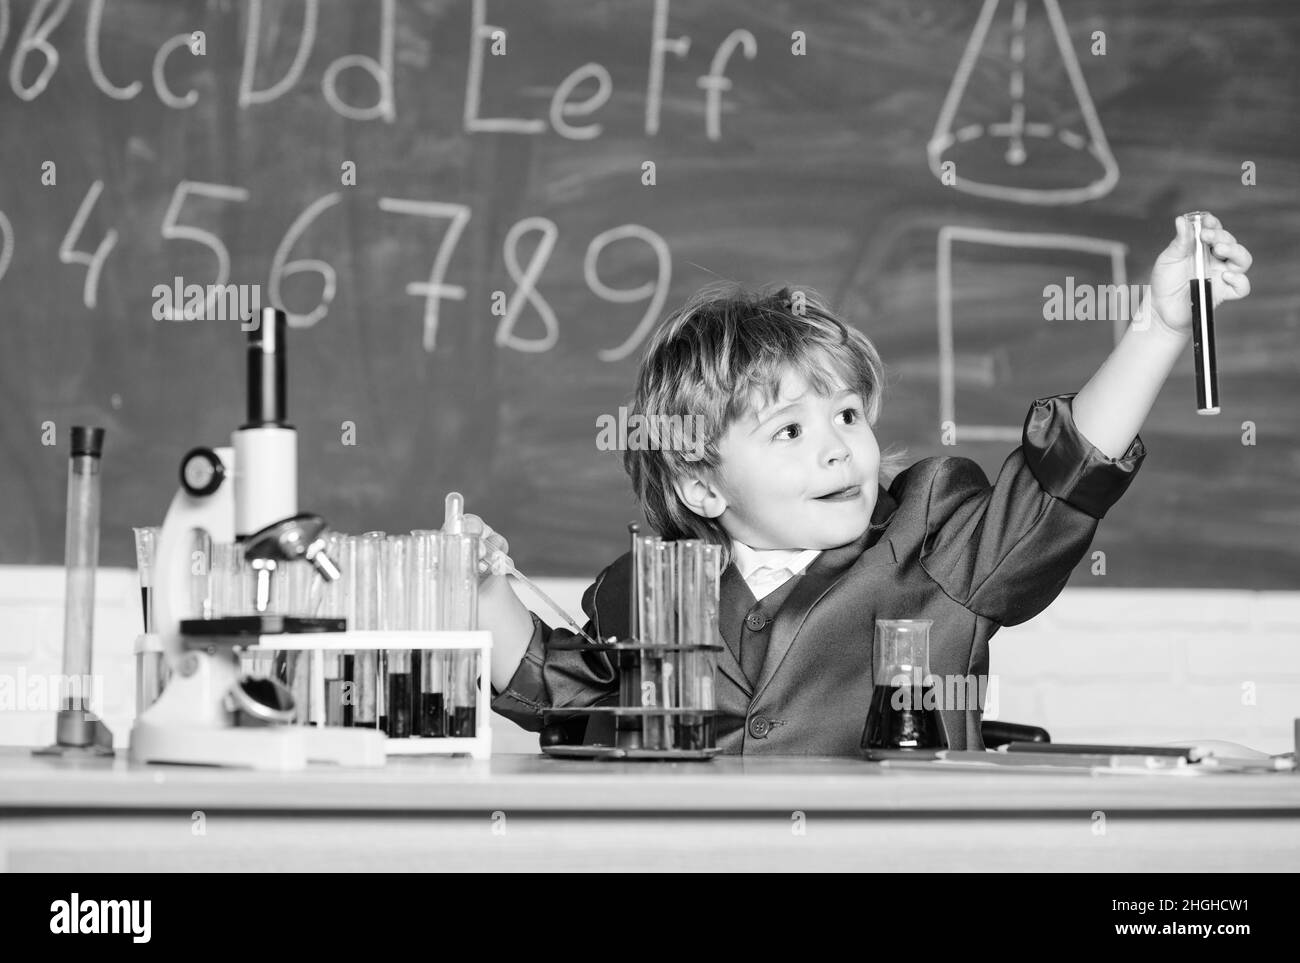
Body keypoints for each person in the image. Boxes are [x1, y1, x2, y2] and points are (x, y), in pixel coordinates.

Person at [471, 213, 1253, 754]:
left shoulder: (936, 543)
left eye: (847, 414)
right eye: (789, 430)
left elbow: (1061, 475)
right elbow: (564, 696)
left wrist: (1159, 327)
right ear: (704, 486)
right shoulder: (645, 590)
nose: (838, 450)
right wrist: (483, 589)